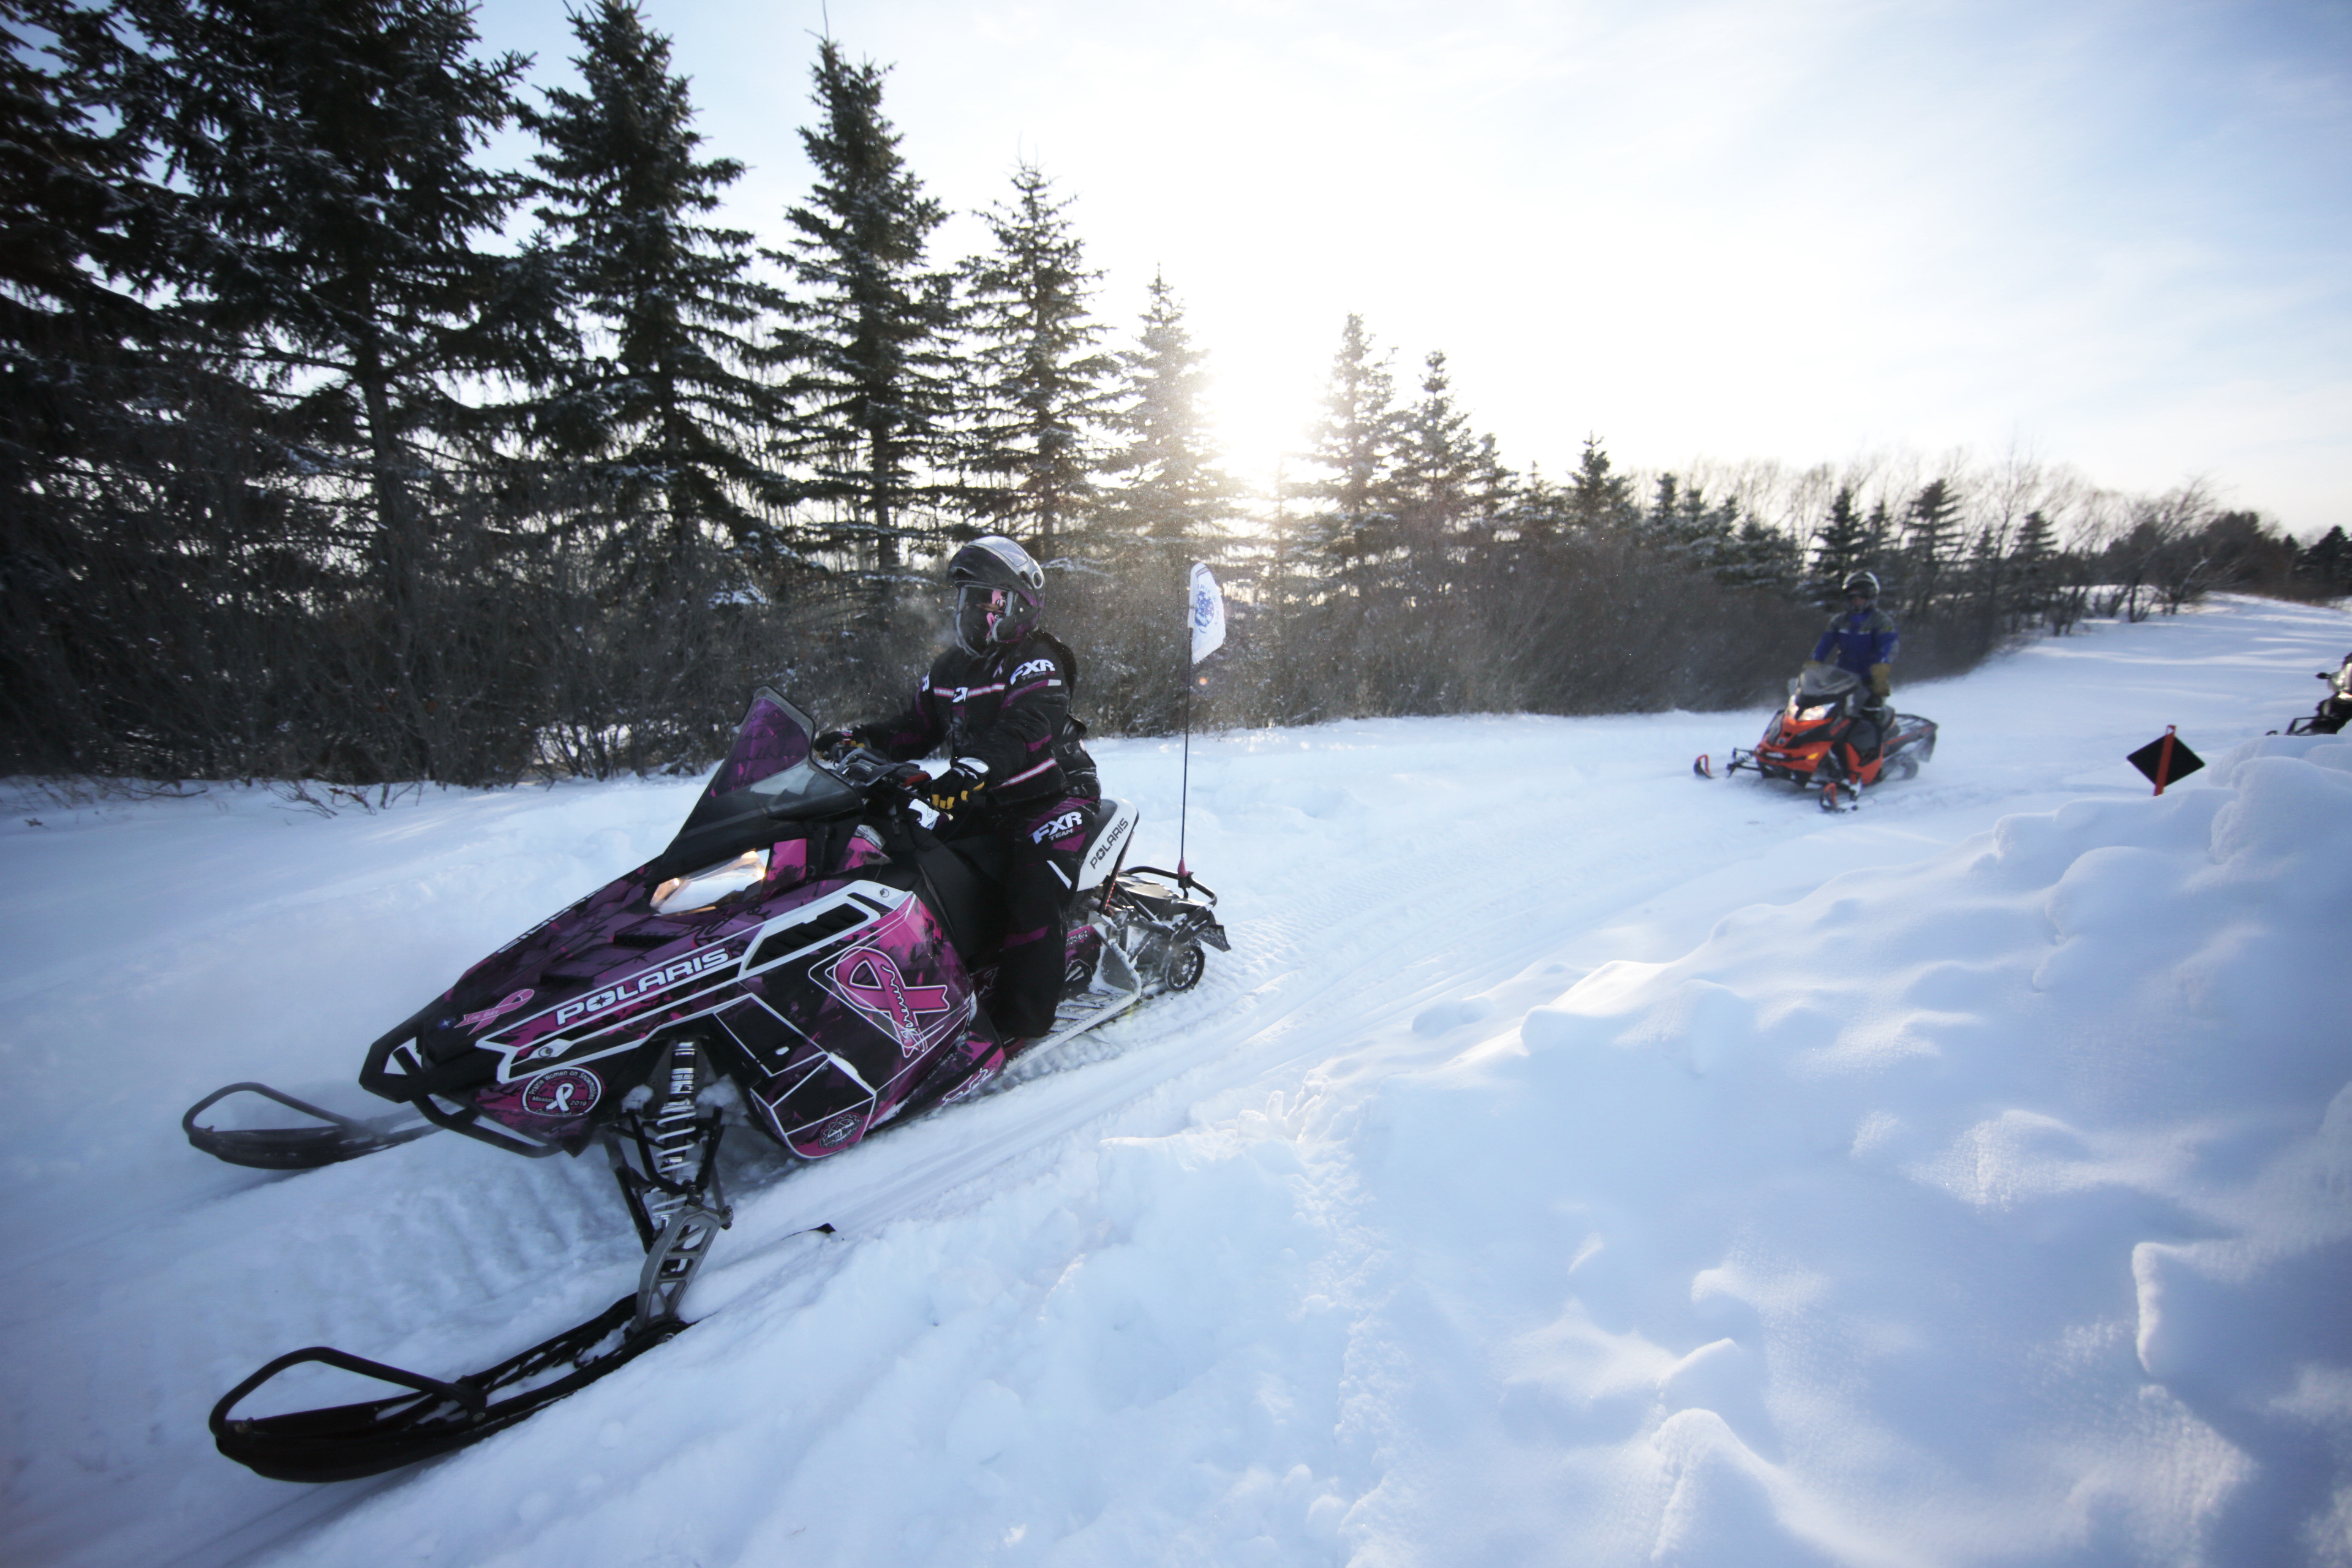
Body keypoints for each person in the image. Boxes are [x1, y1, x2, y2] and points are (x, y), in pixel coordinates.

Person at [834, 536, 1099, 1054]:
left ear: (1018, 604)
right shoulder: (950, 669)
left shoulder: (1036, 658)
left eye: (988, 600)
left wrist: (974, 768)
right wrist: (860, 738)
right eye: (968, 600)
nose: (974, 612)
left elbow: (1028, 727)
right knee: (911, 857)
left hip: (1054, 796)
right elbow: (913, 728)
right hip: (984, 799)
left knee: (1032, 888)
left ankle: (1021, 1020)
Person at [1808, 571, 1899, 773]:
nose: (1856, 602)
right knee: (1825, 713)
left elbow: (1889, 647)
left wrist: (1882, 670)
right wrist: (1814, 663)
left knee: (1868, 714)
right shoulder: (1840, 621)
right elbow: (1825, 644)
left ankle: (1870, 760)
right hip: (1843, 677)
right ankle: (1821, 751)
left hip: (1871, 678)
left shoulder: (1881, 621)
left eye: (1860, 598)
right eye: (1853, 598)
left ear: (1870, 599)